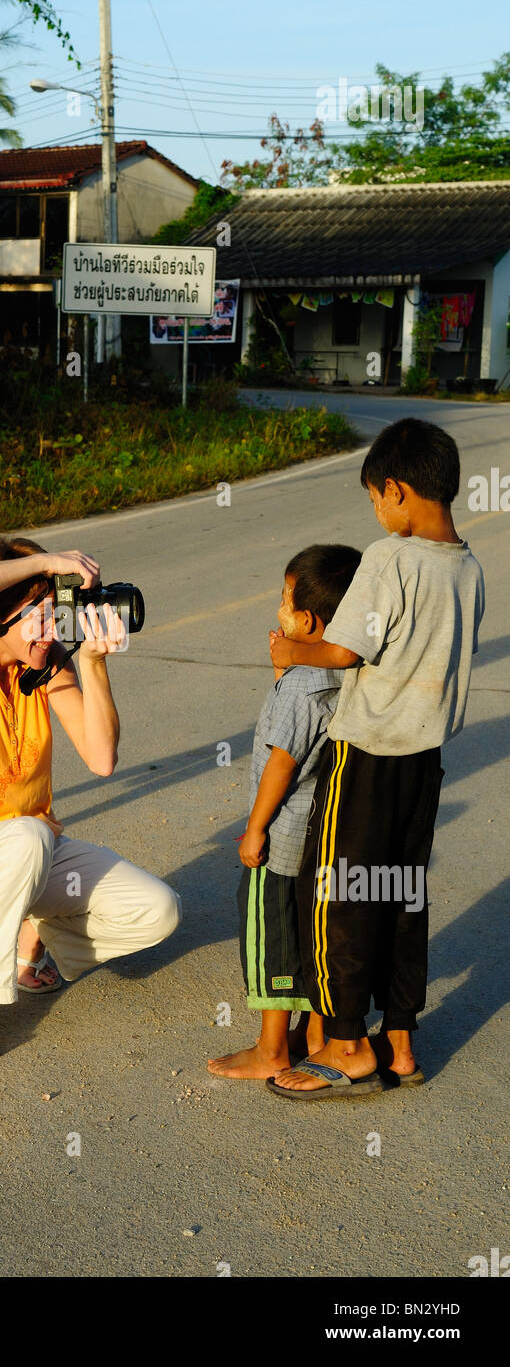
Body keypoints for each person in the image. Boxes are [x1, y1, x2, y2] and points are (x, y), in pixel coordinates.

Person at [267, 419, 485, 1098]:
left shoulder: (390, 559)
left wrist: (288, 651)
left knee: (338, 901)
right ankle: (400, 1039)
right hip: (424, 763)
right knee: (400, 897)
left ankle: (345, 1046)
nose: (376, 514)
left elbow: (342, 651)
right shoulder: (469, 566)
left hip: (365, 758)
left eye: (374, 500)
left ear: (396, 489)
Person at [0, 537, 181, 1061]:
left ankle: (31, 949)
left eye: (60, 615)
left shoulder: (46, 667)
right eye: (42, 616)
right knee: (29, 836)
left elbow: (101, 758)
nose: (55, 630)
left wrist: (96, 663)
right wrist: (45, 563)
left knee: (157, 910)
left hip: (29, 855)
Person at [208, 544, 361, 1081]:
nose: (278, 608)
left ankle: (272, 1048)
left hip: (279, 836)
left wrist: (253, 829)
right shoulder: (345, 672)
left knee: (268, 936)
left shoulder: (302, 684)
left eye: (284, 598)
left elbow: (282, 761)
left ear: (307, 620)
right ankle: (313, 1033)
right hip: (317, 835)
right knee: (304, 936)